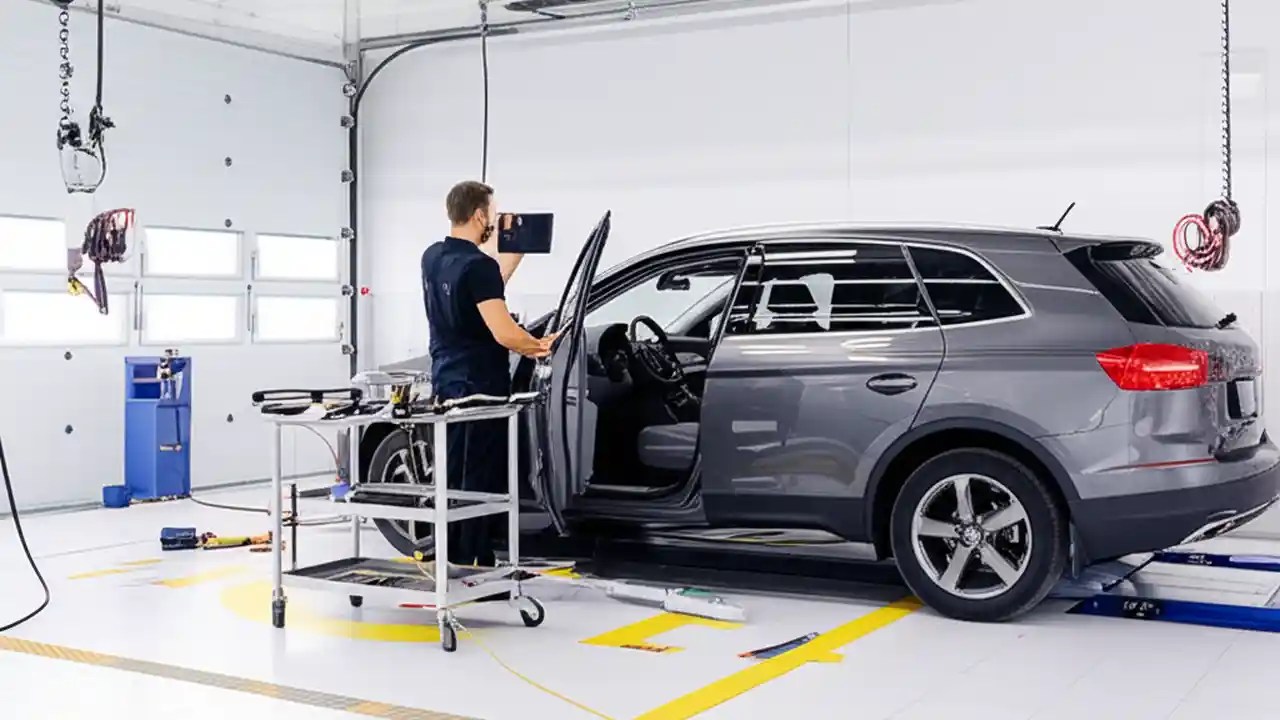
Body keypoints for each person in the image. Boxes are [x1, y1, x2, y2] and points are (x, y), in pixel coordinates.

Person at [421, 180, 554, 571]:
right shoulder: (479, 268)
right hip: (482, 388)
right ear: (480, 214)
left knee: (454, 474)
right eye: (492, 215)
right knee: (480, 478)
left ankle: (460, 555)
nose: (493, 222)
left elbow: (483, 292)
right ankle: (473, 565)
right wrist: (540, 345)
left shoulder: (433, 257)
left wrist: (515, 255)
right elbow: (504, 332)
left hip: (447, 382)